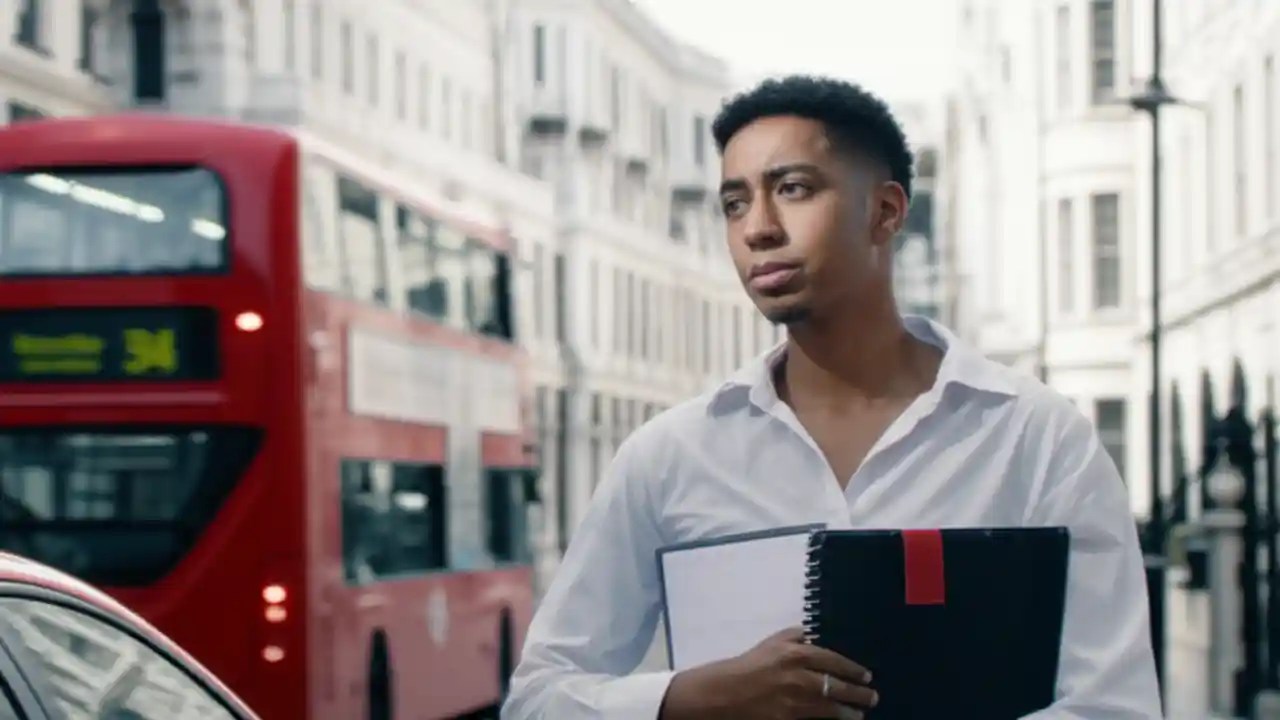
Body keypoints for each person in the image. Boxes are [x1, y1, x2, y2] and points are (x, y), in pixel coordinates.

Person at [501, 74, 1162, 720]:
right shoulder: (670, 455)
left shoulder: (1035, 439)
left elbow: (1116, 702)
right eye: (734, 203)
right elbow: (538, 698)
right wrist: (694, 698)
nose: (757, 228)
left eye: (792, 189)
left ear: (886, 210)